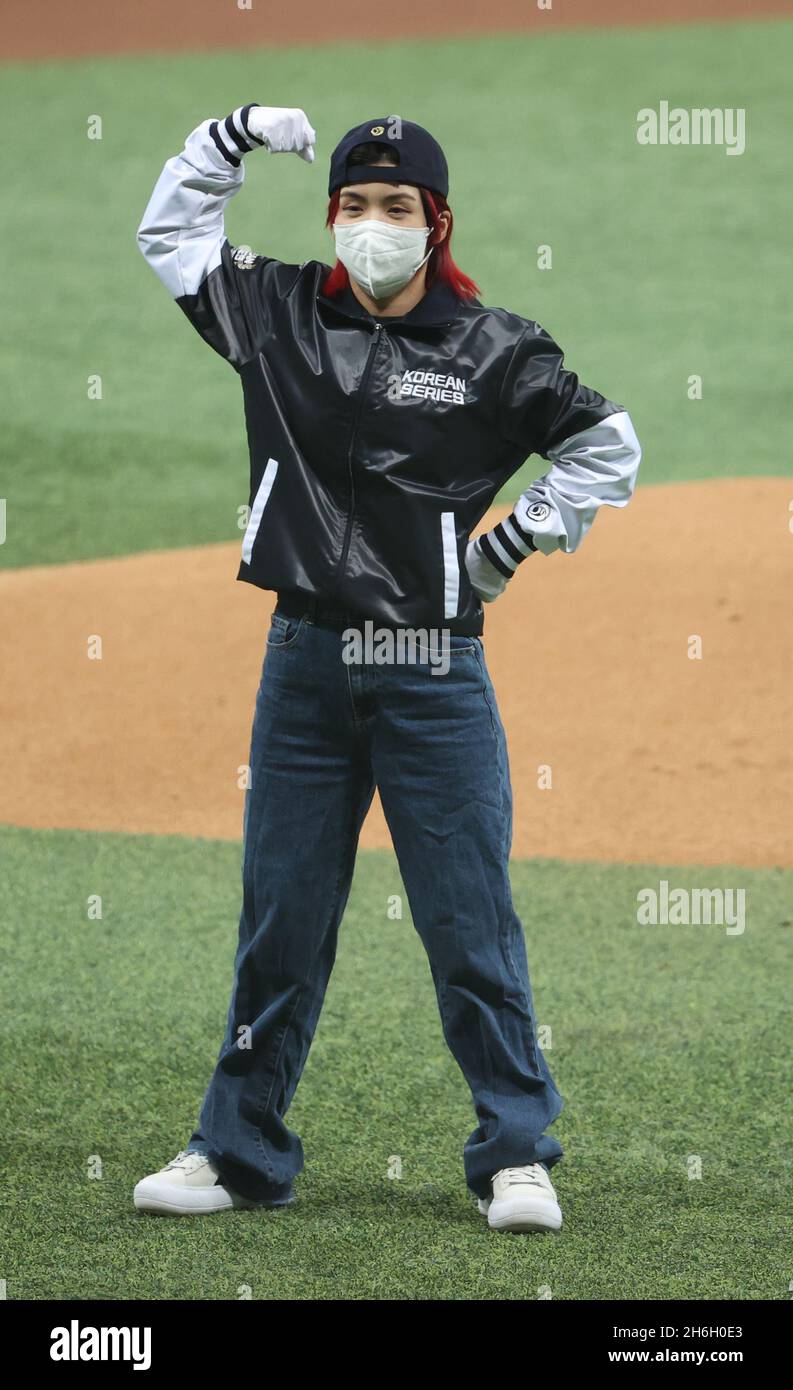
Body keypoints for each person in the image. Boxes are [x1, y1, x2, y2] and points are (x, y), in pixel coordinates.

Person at [133, 105, 641, 1234]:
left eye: (395, 207)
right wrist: (229, 137)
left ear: (435, 222)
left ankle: (516, 1155)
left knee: (468, 921)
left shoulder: (497, 348)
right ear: (332, 215)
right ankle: (236, 1150)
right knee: (280, 920)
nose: (372, 225)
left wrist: (510, 546)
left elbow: (608, 445)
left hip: (430, 672)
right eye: (355, 205)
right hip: (304, 661)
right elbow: (169, 236)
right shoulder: (272, 313)